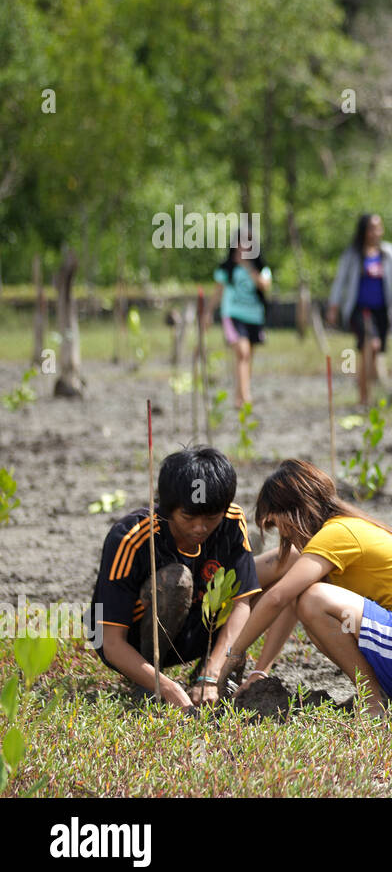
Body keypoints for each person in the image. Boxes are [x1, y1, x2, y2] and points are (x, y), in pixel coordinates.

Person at [219, 459, 392, 716]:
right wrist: (260, 671)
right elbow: (278, 591)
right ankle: (376, 694)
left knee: (314, 599)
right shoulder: (334, 535)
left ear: (296, 511)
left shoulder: (338, 534)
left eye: (277, 523)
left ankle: (372, 703)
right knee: (304, 595)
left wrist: (233, 655)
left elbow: (277, 598)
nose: (282, 534)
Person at [86, 447, 262, 710]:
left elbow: (241, 604)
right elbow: (109, 642)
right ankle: (147, 680)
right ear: (168, 509)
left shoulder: (232, 520)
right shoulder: (131, 537)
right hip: (127, 639)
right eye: (188, 518)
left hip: (193, 629)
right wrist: (168, 688)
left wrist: (211, 673)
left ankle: (212, 667)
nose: (200, 528)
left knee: (266, 580)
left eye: (211, 518)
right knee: (177, 580)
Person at [327, 213, 392, 406]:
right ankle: (363, 399)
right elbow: (340, 282)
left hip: (381, 310)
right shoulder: (353, 254)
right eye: (372, 228)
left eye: (378, 227)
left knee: (375, 351)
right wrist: (333, 306)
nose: (376, 232)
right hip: (359, 309)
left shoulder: (388, 252)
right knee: (368, 345)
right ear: (364, 230)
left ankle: (368, 393)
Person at [213, 227, 271, 408]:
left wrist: (247, 266)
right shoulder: (227, 269)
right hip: (233, 315)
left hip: (254, 316)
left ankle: (240, 395)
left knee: (248, 357)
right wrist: (207, 313)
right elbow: (217, 293)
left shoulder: (262, 269)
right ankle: (245, 396)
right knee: (242, 352)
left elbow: (264, 286)